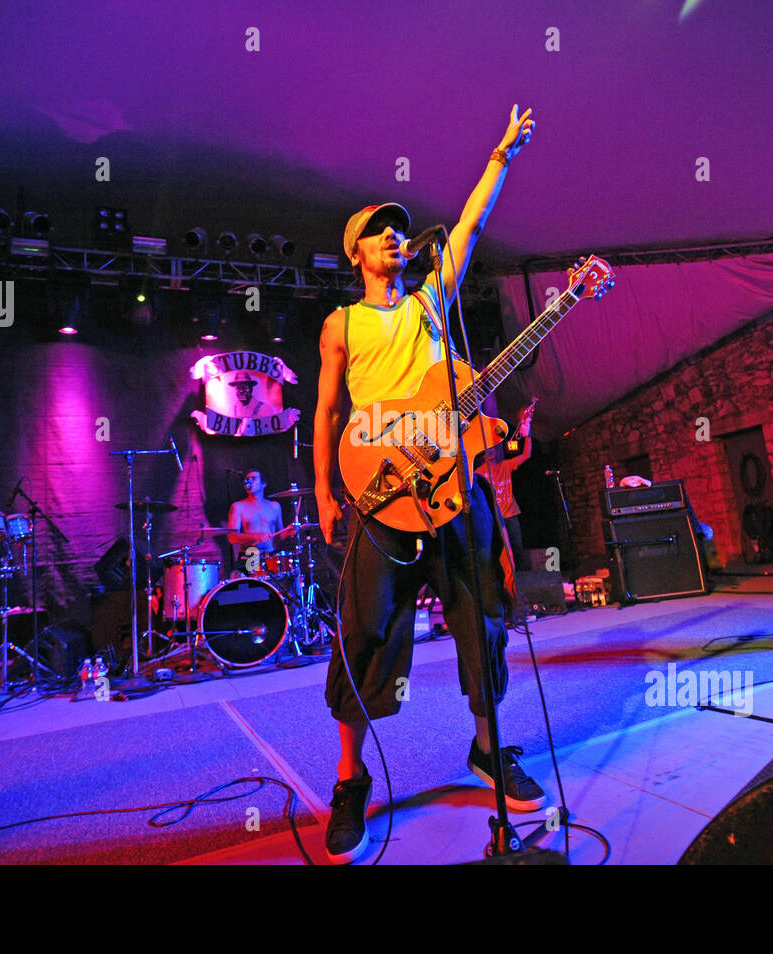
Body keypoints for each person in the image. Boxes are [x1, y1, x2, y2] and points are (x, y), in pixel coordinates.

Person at [313, 105, 543, 864]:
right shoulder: (345, 322)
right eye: (378, 229)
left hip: (454, 483)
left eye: (397, 227)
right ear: (357, 252)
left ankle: (488, 749)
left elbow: (470, 229)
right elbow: (325, 410)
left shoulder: (427, 304)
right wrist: (321, 492)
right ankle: (351, 781)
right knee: (367, 632)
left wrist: (499, 158)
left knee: (483, 616)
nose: (393, 235)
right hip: (380, 491)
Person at [476, 399, 535, 571]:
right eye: (488, 450)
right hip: (493, 517)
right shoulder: (478, 472)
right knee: (498, 552)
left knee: (517, 547)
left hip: (510, 513)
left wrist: (527, 433)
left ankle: (523, 579)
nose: (492, 453)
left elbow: (526, 455)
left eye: (494, 450)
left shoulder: (504, 467)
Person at [226, 470, 292, 564]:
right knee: (249, 577)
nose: (249, 482)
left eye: (253, 479)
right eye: (247, 479)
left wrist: (289, 532)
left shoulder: (275, 506)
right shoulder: (238, 506)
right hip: (250, 556)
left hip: (270, 555)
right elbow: (232, 537)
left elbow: (279, 537)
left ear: (263, 484)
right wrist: (256, 536)